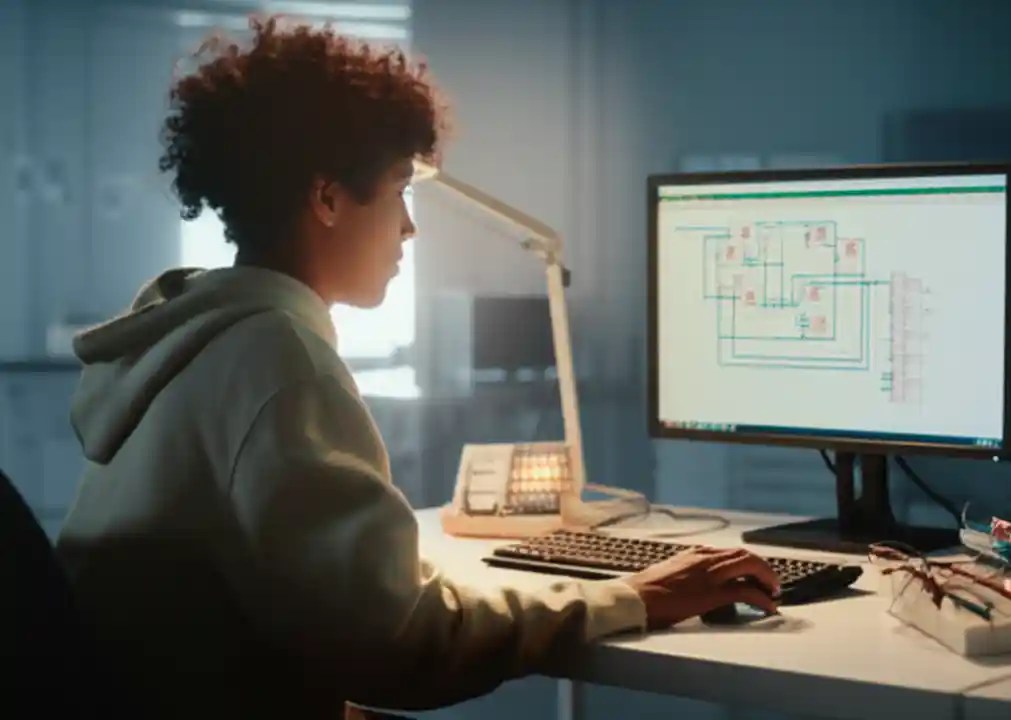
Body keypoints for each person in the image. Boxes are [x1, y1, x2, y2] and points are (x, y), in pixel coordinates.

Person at [53, 15, 780, 720]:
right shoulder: (279, 358)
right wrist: (635, 597)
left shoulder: (195, 339)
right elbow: (399, 646)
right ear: (328, 197)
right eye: (400, 187)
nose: (410, 225)